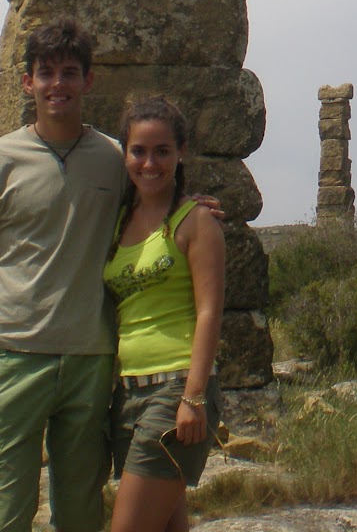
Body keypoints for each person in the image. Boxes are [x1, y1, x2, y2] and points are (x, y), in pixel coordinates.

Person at [0, 19, 222, 532]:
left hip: (91, 366)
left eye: (69, 73)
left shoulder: (114, 159)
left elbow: (154, 190)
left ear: (88, 81)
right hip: (13, 357)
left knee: (81, 516)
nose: (58, 84)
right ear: (26, 82)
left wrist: (193, 207)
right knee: (2, 516)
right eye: (45, 73)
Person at [103, 95, 226, 532]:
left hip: (174, 391)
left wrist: (193, 397)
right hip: (126, 394)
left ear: (181, 152)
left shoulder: (196, 223)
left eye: (162, 151)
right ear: (124, 152)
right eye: (138, 151)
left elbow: (210, 312)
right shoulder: (118, 220)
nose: (149, 163)